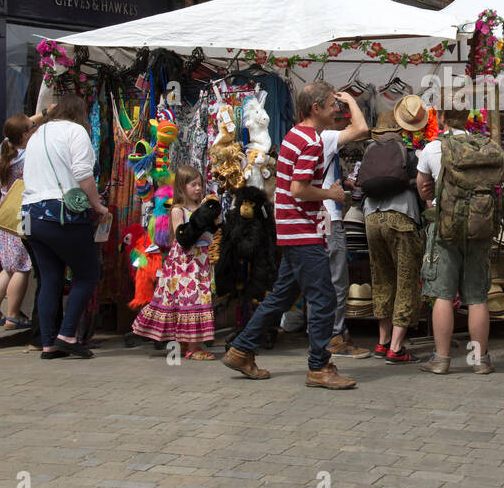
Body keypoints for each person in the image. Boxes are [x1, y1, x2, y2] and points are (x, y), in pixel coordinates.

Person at [223, 81, 356, 390]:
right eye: (332, 104)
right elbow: (299, 189)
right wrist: (331, 193)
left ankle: (241, 349)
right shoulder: (310, 141)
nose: (337, 109)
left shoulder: (294, 136)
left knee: (281, 296)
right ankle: (318, 367)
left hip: (292, 230)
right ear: (316, 108)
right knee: (322, 300)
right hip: (303, 231)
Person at [21, 94, 110, 359]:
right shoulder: (76, 131)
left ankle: (48, 343)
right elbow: (83, 173)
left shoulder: (36, 135)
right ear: (80, 112)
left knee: (50, 278)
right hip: (60, 214)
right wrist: (98, 205)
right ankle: (67, 334)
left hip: (29, 215)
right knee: (87, 274)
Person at [415, 108, 494, 375]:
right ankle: (479, 361)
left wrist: (431, 195)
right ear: (469, 119)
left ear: (443, 119)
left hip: (445, 224)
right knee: (477, 296)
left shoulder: (433, 148)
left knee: (443, 295)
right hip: (478, 224)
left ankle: (441, 359)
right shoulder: (482, 146)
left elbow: (422, 186)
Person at [131, 166, 217, 359]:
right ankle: (192, 347)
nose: (198, 188)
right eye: (193, 184)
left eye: (200, 184)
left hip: (200, 261)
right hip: (184, 264)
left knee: (199, 298)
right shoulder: (178, 210)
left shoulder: (202, 207)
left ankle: (190, 343)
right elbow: (182, 236)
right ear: (182, 186)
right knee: (188, 299)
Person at [362, 107, 424, 364]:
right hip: (401, 216)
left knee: (382, 278)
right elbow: (422, 186)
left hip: (371, 217)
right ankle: (397, 348)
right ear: (401, 130)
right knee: (406, 280)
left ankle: (382, 341)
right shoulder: (410, 153)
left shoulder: (370, 151)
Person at [0, 110, 46, 328]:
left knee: (8, 265)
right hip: (22, 212)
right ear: (26, 136)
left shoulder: (3, 150)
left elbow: (21, 127)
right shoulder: (27, 155)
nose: (34, 128)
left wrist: (44, 113)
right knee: (22, 267)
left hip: (4, 211)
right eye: (31, 128)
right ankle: (12, 315)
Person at [322, 90, 372, 359]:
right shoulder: (325, 137)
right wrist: (352, 100)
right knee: (338, 280)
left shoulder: (314, 138)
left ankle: (330, 333)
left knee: (325, 279)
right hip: (330, 217)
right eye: (339, 115)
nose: (345, 123)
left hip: (323, 216)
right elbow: (361, 128)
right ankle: (334, 335)